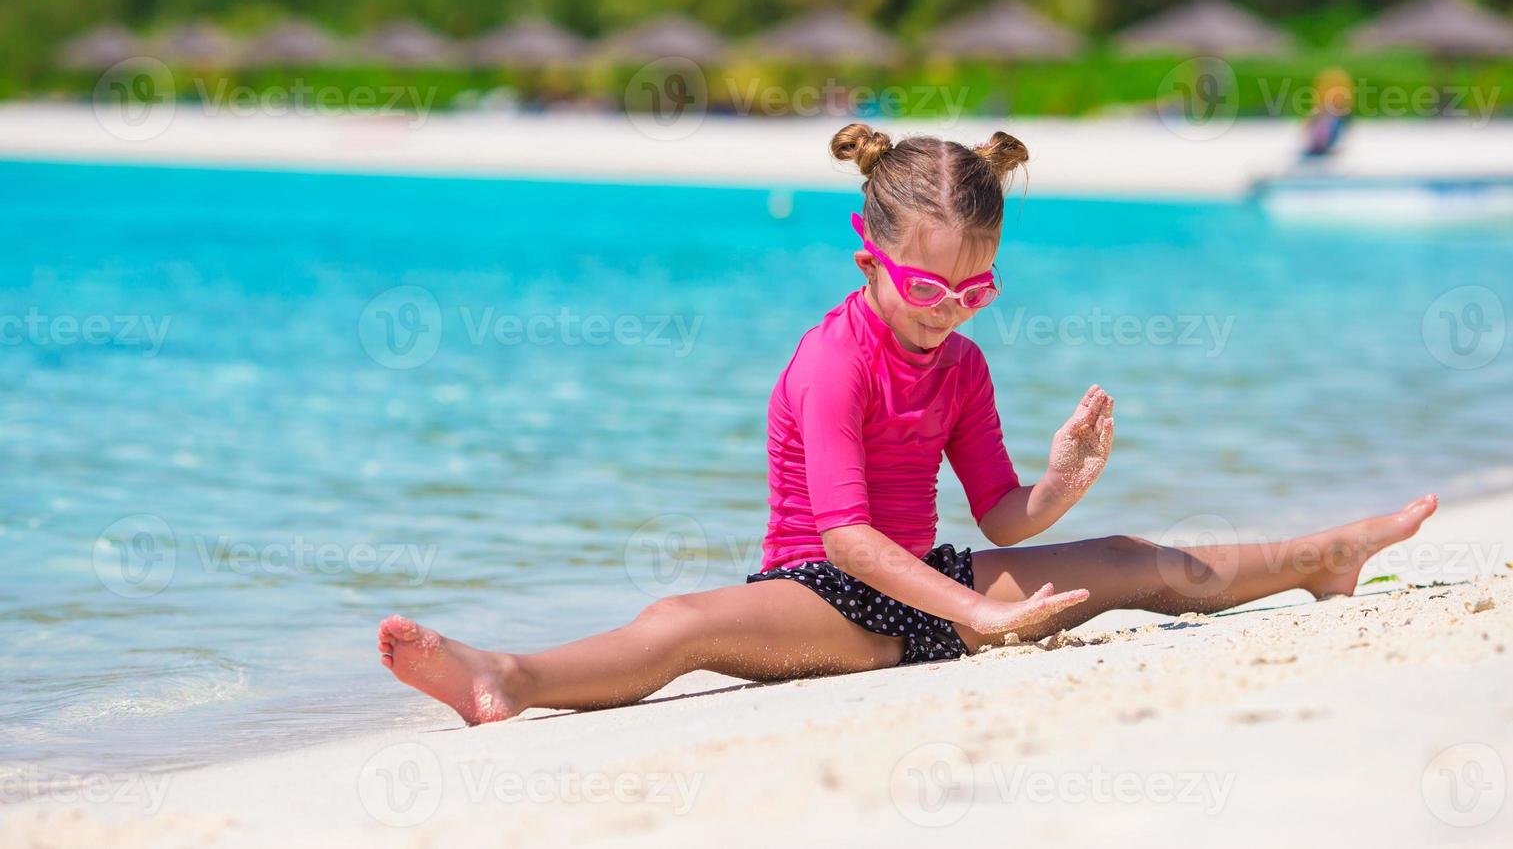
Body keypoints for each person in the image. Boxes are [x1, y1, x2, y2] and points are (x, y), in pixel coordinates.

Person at [377, 123, 1437, 724]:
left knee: (1133, 557)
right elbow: (841, 538)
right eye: (926, 288)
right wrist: (974, 619)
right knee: (681, 620)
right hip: (824, 597)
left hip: (936, 583)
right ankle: (505, 674)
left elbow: (1002, 518)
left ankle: (1322, 557)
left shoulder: (960, 363)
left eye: (973, 292)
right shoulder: (830, 359)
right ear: (865, 259)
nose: (946, 310)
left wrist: (1060, 483)